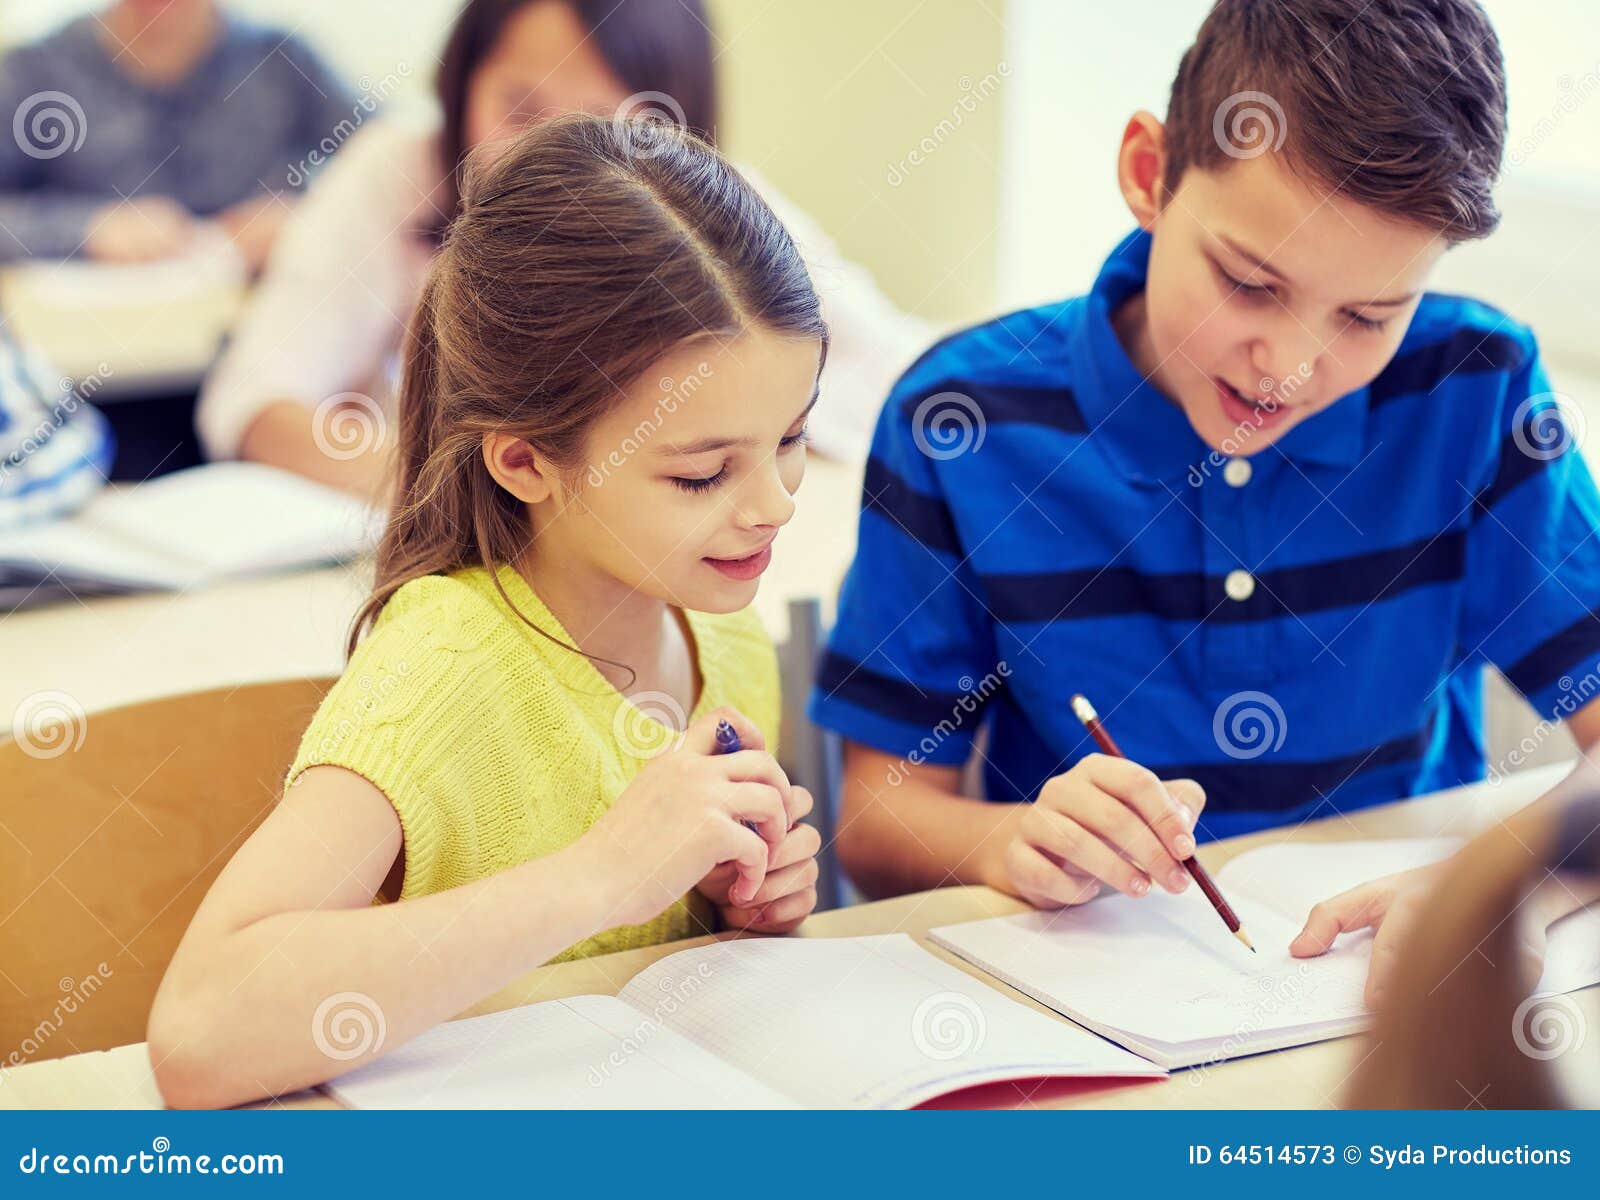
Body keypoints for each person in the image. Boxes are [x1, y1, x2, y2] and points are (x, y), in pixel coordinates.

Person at [809, 0, 1600, 1004]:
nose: (1291, 366)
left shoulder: (1473, 393)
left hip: (1384, 1009)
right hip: (1092, 1016)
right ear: (1149, 172)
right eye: (1249, 284)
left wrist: (1488, 891)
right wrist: (1013, 839)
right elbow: (879, 825)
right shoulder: (962, 421)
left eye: (1367, 315)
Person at [149, 113, 824, 1108]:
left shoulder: (719, 627)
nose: (773, 503)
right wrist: (603, 876)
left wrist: (745, 907)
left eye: (792, 438)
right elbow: (201, 1035)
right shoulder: (447, 662)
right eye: (701, 474)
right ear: (524, 460)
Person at [196, 0, 929, 497]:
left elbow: (900, 377)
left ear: (677, 131)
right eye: (521, 108)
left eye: (610, 128)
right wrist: (474, 498)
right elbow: (255, 401)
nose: (556, 161)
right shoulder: (397, 174)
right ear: (460, 86)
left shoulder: (716, 207)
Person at [0, 0, 355, 269]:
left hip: (257, 331)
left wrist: (309, 215)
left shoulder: (282, 59)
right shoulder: (35, 72)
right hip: (86, 344)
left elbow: (395, 166)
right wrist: (85, 229)